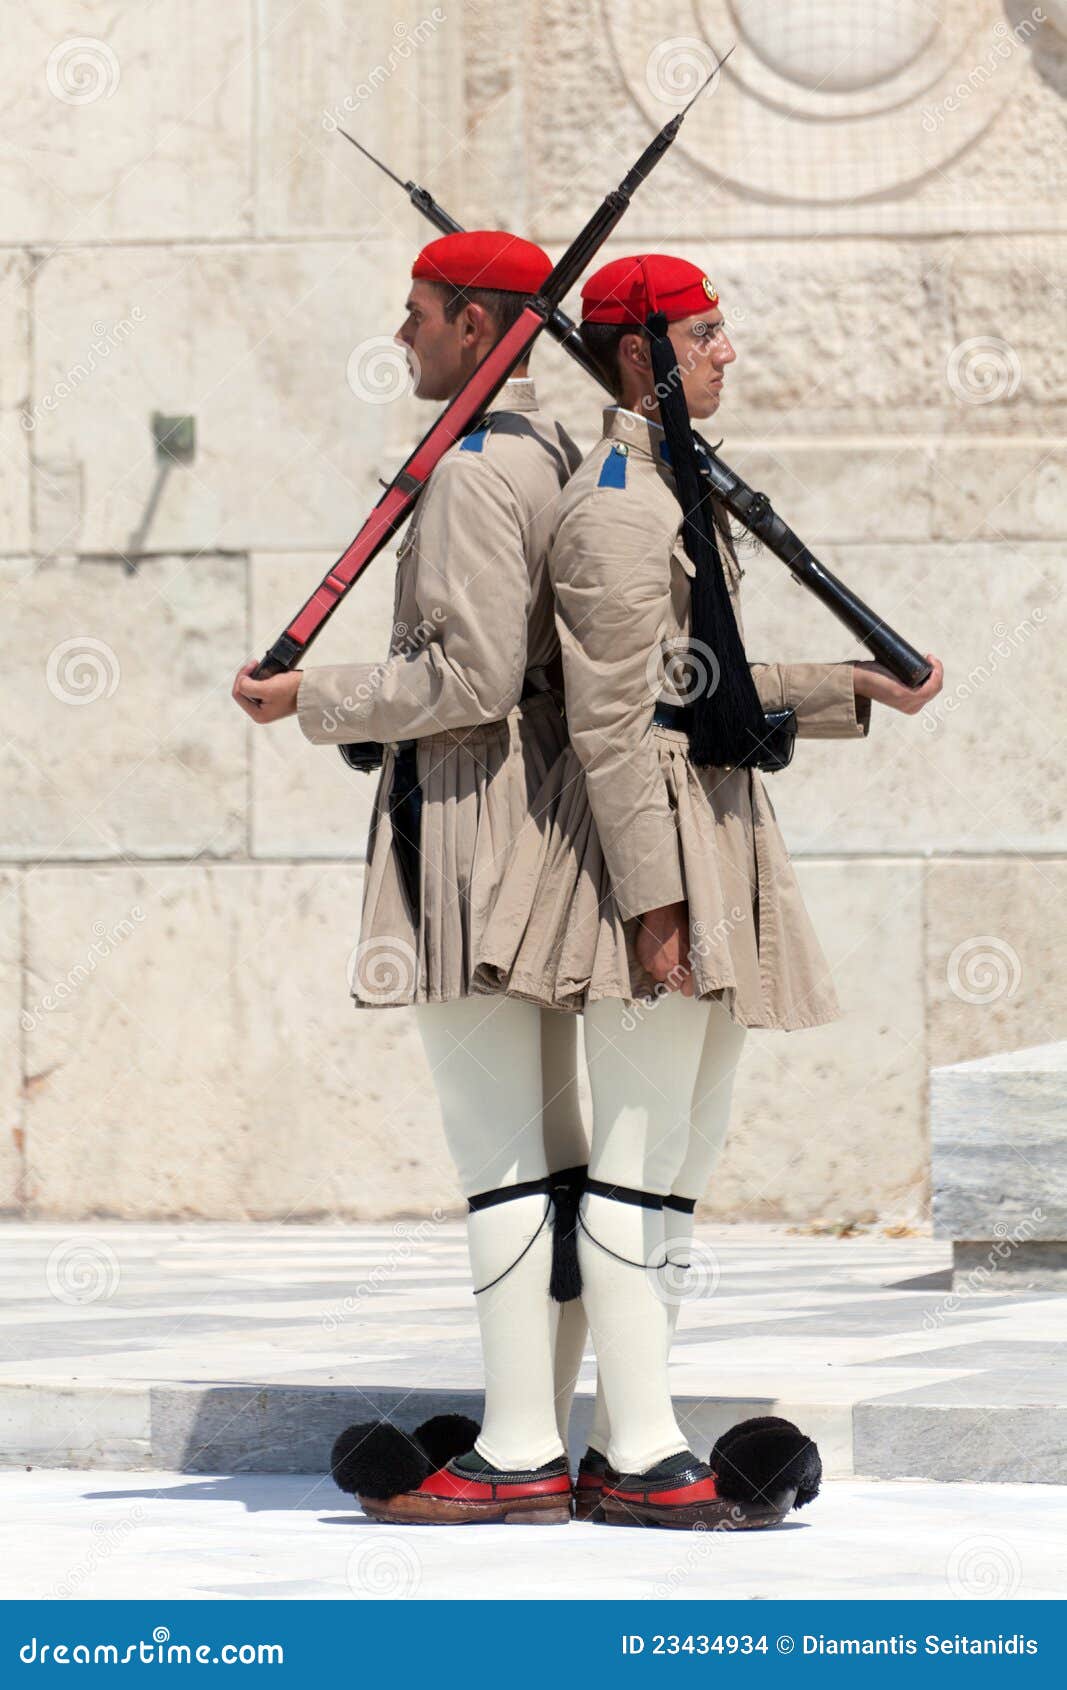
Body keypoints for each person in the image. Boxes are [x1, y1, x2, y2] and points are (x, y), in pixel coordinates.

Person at [473, 253, 944, 1527]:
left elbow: (707, 682)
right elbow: (615, 726)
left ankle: (642, 1421)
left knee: (679, 1156)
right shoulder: (618, 507)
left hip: (715, 832)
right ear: (640, 356)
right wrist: (650, 903)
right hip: (660, 855)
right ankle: (634, 1449)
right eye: (705, 336)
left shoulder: (676, 486)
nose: (725, 355)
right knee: (631, 1158)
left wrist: (849, 687)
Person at [232, 231, 595, 1523]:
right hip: (547, 829)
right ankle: (536, 1427)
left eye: (418, 314)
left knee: (501, 1155)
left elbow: (471, 680)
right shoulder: (560, 451)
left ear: (474, 323)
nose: (400, 337)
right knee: (553, 1157)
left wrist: (309, 696)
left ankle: (511, 1455)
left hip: (470, 827)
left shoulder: (471, 474)